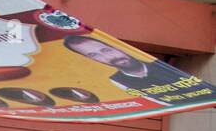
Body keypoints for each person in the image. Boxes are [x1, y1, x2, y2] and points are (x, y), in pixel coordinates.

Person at [63, 35, 191, 94]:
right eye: (94, 55)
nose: (109, 58)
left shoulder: (160, 65)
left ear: (117, 47)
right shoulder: (117, 82)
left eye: (106, 50)